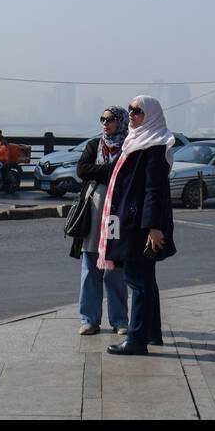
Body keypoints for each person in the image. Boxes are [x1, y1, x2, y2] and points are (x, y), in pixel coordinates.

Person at [97, 95, 176, 355]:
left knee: (137, 282)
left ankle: (136, 340)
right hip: (131, 221)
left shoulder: (153, 146)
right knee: (146, 280)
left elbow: (155, 190)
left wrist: (154, 227)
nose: (131, 114)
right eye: (130, 109)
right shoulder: (138, 141)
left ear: (151, 115)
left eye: (138, 111)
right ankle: (152, 334)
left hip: (138, 225)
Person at [71, 106, 130, 336]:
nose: (105, 123)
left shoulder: (128, 146)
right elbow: (82, 170)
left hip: (117, 214)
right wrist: (109, 170)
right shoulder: (94, 145)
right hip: (93, 214)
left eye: (111, 119)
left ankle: (119, 320)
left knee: (115, 269)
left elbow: (126, 173)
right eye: (102, 118)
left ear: (121, 122)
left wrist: (101, 171)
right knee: (89, 267)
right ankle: (89, 319)